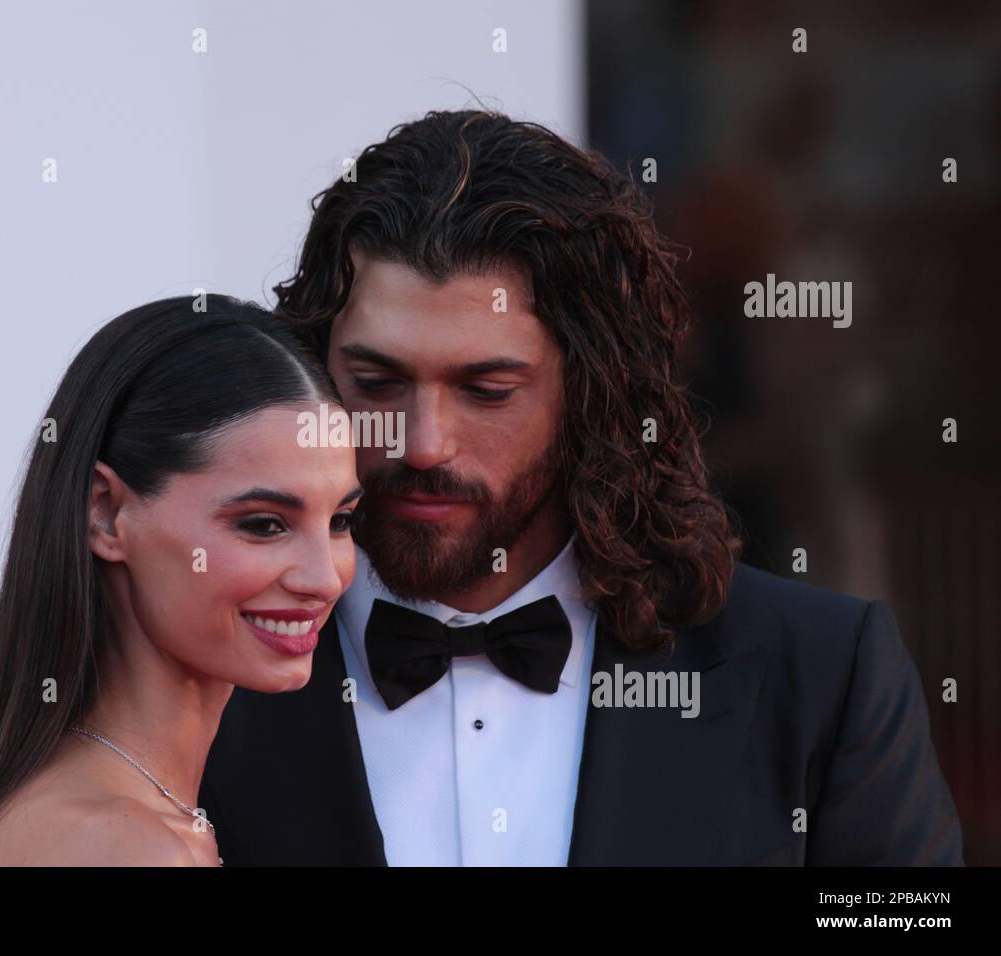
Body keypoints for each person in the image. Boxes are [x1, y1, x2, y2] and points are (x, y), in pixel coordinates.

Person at [198, 110, 964, 865]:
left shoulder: (821, 673)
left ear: (592, 392)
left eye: (487, 390)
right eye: (376, 382)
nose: (423, 442)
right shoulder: (200, 672)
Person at [0, 296, 360, 866]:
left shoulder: (102, 814)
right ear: (107, 513)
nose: (324, 577)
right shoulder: (122, 846)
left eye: (340, 521)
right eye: (264, 524)